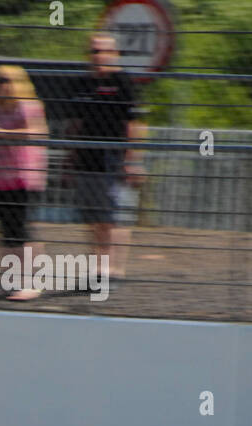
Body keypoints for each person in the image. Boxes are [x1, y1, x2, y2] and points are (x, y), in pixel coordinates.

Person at [64, 32, 147, 287]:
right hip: (88, 157)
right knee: (94, 216)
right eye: (94, 51)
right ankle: (98, 268)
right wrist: (70, 159)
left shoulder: (123, 82)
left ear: (115, 54)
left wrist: (132, 159)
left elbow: (135, 123)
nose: (98, 56)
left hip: (114, 158)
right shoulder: (82, 84)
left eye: (103, 51)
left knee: (116, 215)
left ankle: (114, 270)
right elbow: (75, 124)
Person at [0, 65, 49, 301]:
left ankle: (31, 281)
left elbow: (34, 133)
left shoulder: (28, 106)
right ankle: (9, 280)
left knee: (23, 230)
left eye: (4, 80)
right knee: (5, 231)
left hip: (22, 176)